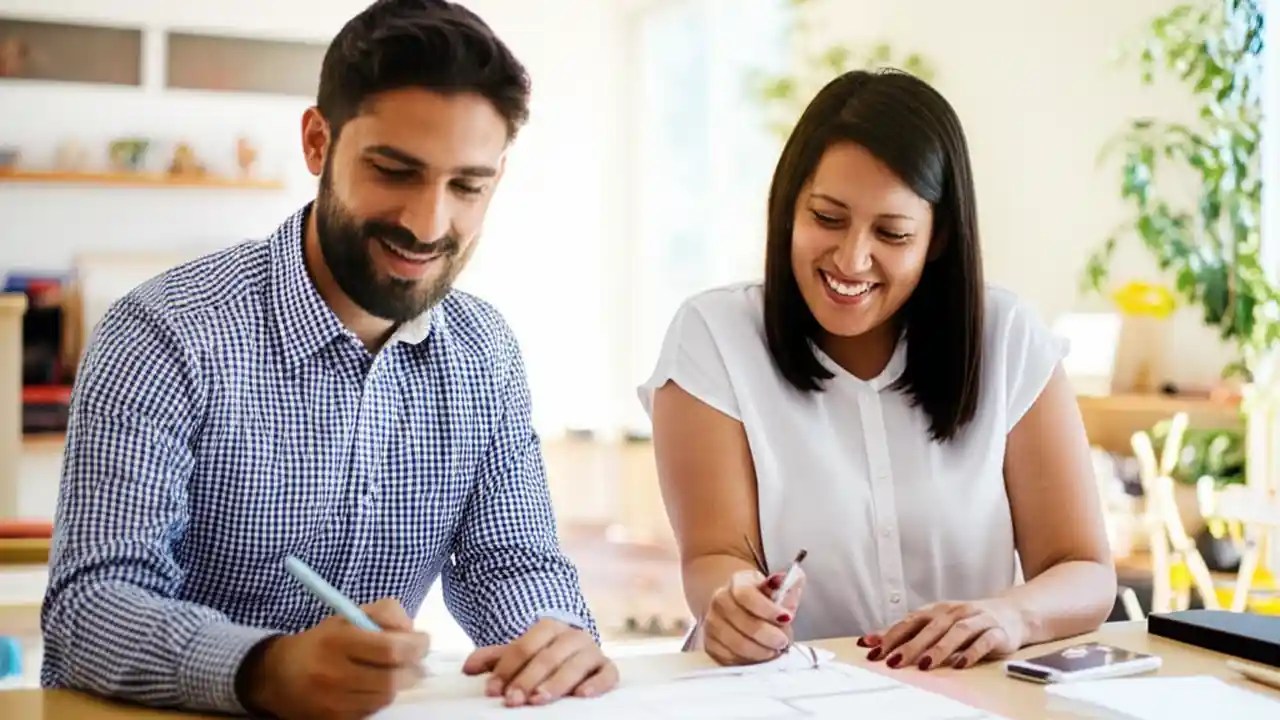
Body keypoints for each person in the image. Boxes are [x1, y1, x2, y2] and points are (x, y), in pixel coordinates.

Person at [40, 1, 617, 717]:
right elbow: (90, 609)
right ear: (318, 143)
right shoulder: (165, 333)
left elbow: (511, 563)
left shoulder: (485, 353)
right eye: (394, 171)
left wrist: (551, 639)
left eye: (467, 186)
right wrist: (265, 668)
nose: (428, 223)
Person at [639, 69, 1117, 672]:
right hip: (781, 697)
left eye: (891, 233)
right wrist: (730, 606)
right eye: (827, 218)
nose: (851, 258)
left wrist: (1011, 614)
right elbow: (714, 556)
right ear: (789, 208)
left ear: (936, 238)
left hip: (966, 698)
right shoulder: (715, 337)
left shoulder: (1008, 337)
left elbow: (1085, 570)